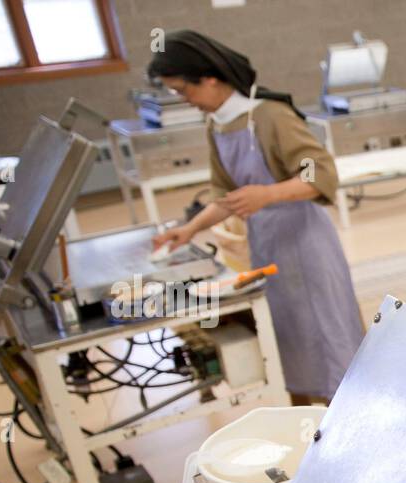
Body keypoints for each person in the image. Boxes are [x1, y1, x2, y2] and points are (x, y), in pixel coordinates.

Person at [148, 30, 365, 405]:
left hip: (306, 244)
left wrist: (268, 194)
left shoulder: (269, 115)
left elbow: (321, 173)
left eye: (183, 90)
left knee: (327, 338)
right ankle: (302, 427)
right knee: (287, 337)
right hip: (268, 247)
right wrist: (188, 230)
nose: (185, 101)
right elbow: (227, 196)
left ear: (210, 78)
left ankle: (345, 424)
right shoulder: (217, 124)